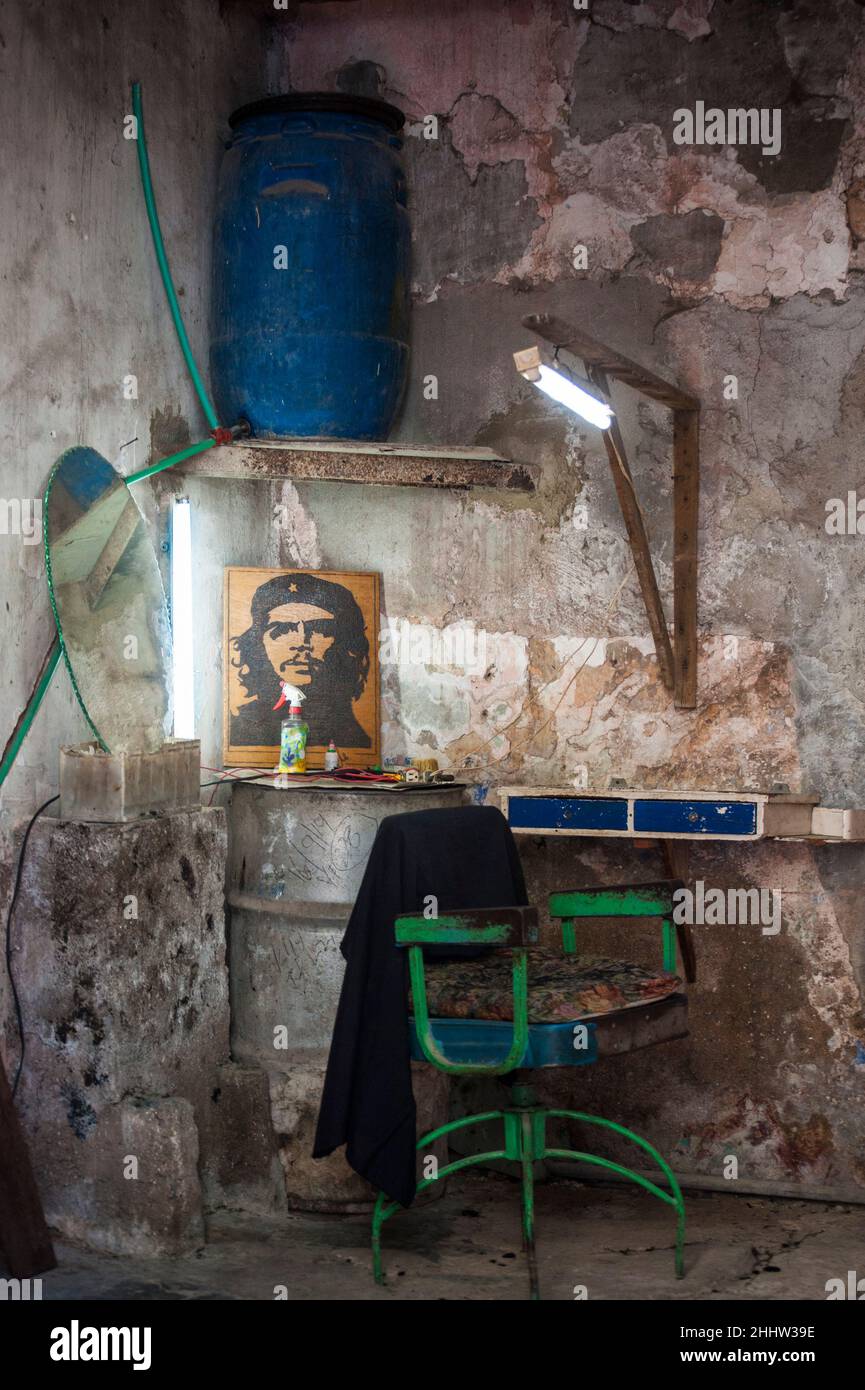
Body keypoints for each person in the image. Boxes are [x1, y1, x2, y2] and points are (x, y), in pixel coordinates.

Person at [230, 572, 372, 748]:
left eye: (321, 630)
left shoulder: (355, 739)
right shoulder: (241, 729)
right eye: (281, 630)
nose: (301, 643)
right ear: (258, 643)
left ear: (347, 645)